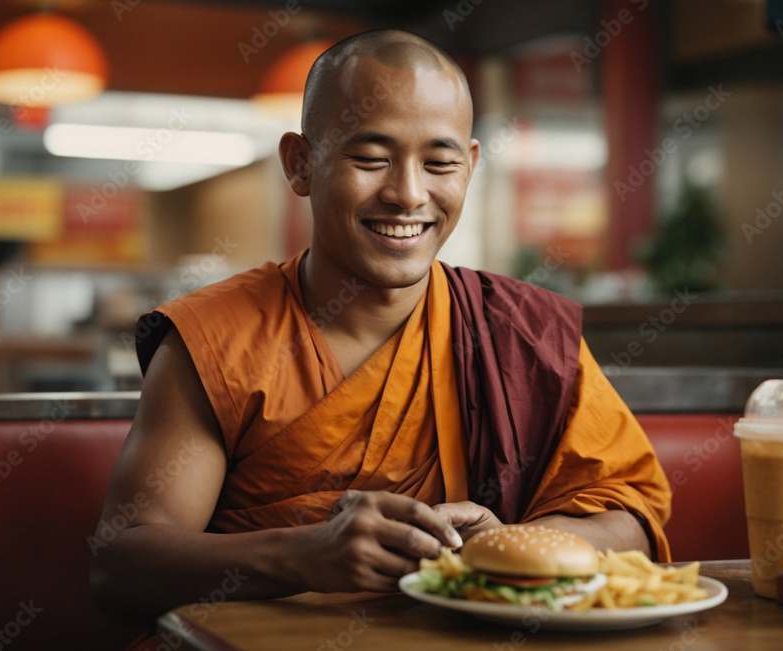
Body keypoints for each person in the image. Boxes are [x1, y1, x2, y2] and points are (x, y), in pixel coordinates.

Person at [90, 29, 672, 624]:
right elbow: (121, 563)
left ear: (469, 167)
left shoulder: (523, 329)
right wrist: (303, 554)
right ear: (301, 163)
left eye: (440, 163)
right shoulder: (215, 338)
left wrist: (501, 545)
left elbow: (631, 520)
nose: (408, 194)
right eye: (371, 159)